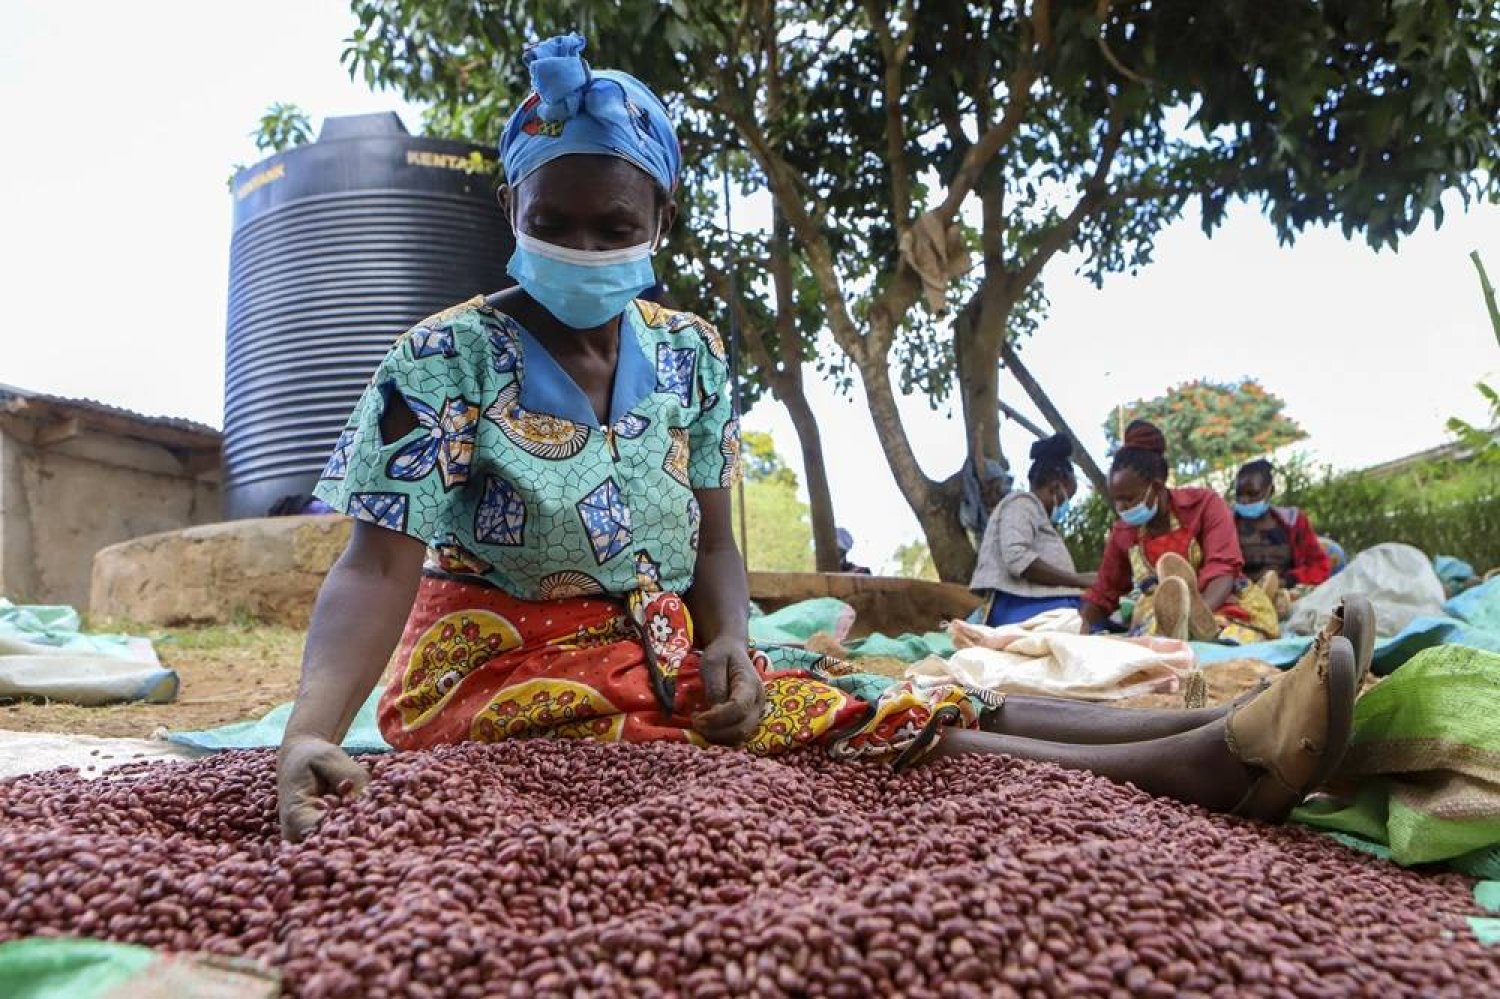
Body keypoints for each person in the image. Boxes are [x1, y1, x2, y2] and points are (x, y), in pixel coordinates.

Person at [274, 33, 1366, 843]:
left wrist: (729, 639)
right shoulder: (443, 361)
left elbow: (714, 546)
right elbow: (374, 567)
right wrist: (311, 731)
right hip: (502, 666)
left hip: (654, 640)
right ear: (511, 211)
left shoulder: (693, 354)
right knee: (823, 716)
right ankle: (1205, 764)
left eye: (615, 227)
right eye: (551, 223)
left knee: (838, 678)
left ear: (660, 225)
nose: (582, 248)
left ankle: (1246, 718)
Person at [1080, 421, 1279, 643]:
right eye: (1116, 500)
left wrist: (1197, 616)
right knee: (1156, 634)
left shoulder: (1205, 504)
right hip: (1161, 613)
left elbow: (1223, 569)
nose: (1121, 508)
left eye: (1128, 499)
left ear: (1156, 487)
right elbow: (1104, 591)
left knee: (1233, 635)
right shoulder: (1123, 532)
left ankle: (1199, 626)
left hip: (1218, 599)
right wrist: (1079, 625)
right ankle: (1180, 629)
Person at [970, 434, 1096, 626]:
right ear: (1055, 487)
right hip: (1021, 606)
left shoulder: (1036, 513)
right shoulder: (1021, 504)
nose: (1066, 506)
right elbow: (1017, 559)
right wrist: (1078, 580)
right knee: (1092, 622)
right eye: (1067, 498)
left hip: (1039, 604)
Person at [1232, 459, 1332, 615]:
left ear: (1270, 491)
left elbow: (1319, 565)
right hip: (1242, 596)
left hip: (1289, 592)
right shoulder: (1227, 526)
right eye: (1239, 494)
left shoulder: (1294, 522)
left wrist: (1289, 580)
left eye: (1253, 494)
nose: (1245, 501)